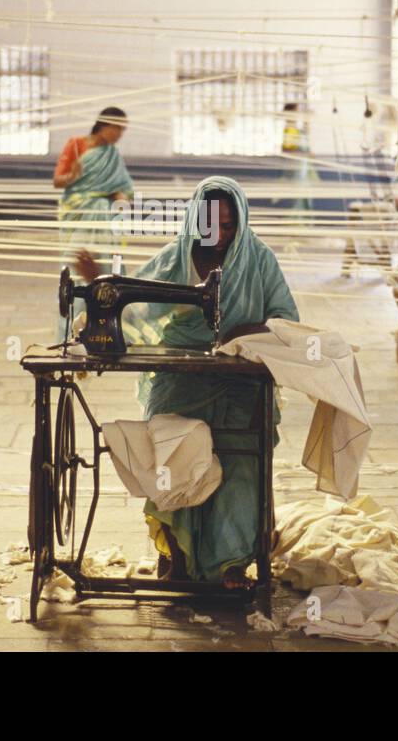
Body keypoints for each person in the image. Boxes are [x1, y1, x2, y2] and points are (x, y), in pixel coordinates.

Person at [74, 176, 298, 589]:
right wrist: (98, 292)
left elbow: (285, 318)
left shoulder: (259, 259)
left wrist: (244, 331)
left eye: (229, 225)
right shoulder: (174, 257)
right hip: (183, 373)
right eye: (210, 223)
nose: (219, 233)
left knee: (243, 460)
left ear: (241, 223)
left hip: (240, 378)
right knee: (172, 448)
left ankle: (231, 566)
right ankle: (177, 557)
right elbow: (137, 311)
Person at [54, 108, 134, 336]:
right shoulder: (76, 145)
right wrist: (73, 176)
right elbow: (59, 180)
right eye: (117, 128)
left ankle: (105, 328)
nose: (120, 134)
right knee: (76, 269)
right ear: (104, 124)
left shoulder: (113, 155)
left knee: (106, 270)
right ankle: (71, 332)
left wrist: (120, 197)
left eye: (123, 130)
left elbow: (123, 188)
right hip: (78, 216)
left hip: (103, 221)